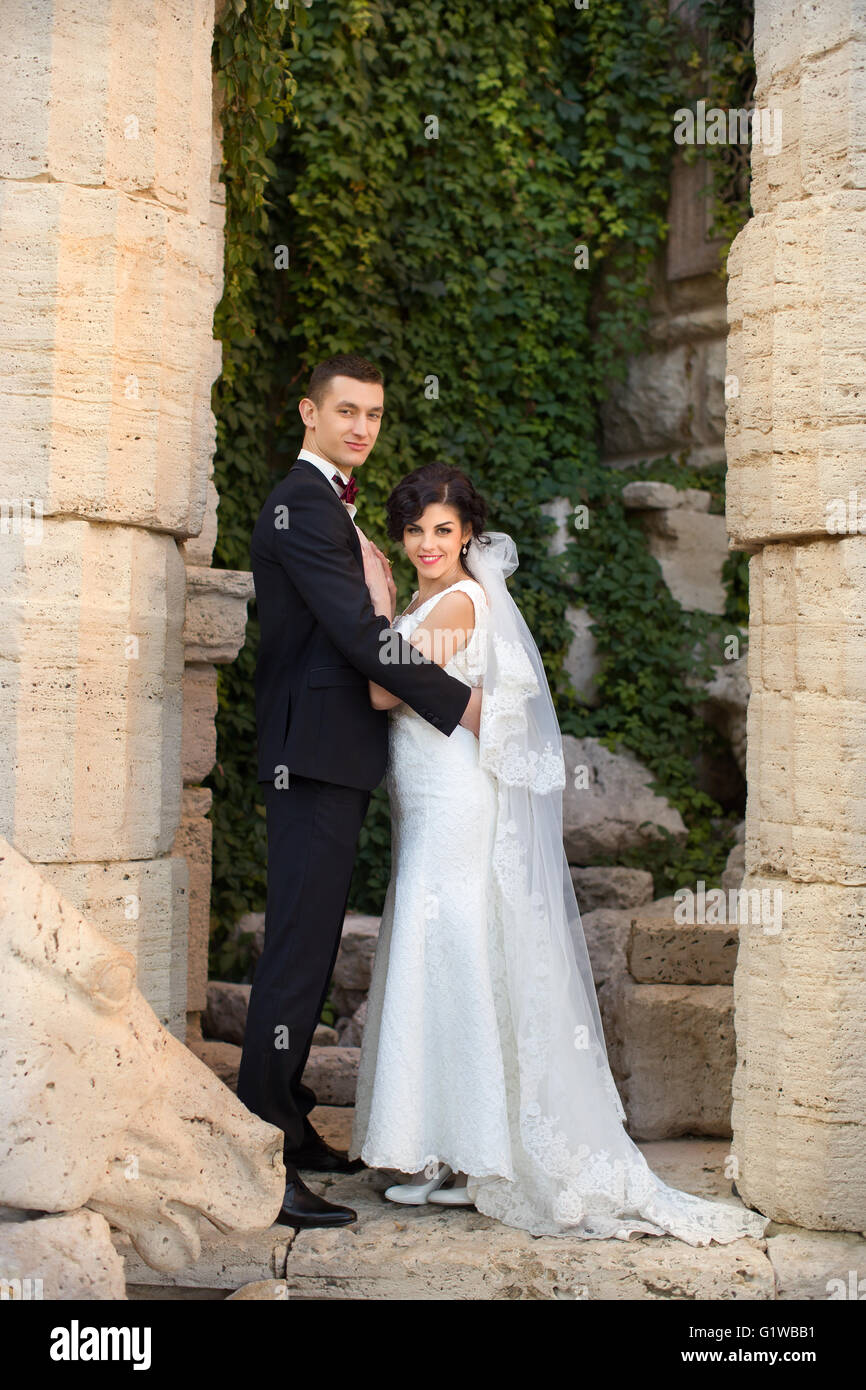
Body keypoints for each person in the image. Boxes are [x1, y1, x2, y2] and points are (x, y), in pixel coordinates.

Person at [349, 462, 770, 1246]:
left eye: (443, 529)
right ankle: (452, 1147)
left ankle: (467, 1153)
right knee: (441, 952)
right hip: (428, 799)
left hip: (454, 803)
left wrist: (373, 606)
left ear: (469, 534)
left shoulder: (464, 601)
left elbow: (382, 689)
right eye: (414, 531)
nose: (427, 543)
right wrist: (390, 605)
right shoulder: (427, 599)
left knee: (453, 952)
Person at [237, 356, 482, 1231]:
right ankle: (257, 1154)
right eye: (347, 411)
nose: (363, 427)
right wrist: (468, 707)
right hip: (310, 757)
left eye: (375, 414)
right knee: (298, 957)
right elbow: (359, 637)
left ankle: (291, 1120)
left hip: (332, 756)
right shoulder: (302, 504)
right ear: (309, 412)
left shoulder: (327, 503)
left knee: (308, 943)